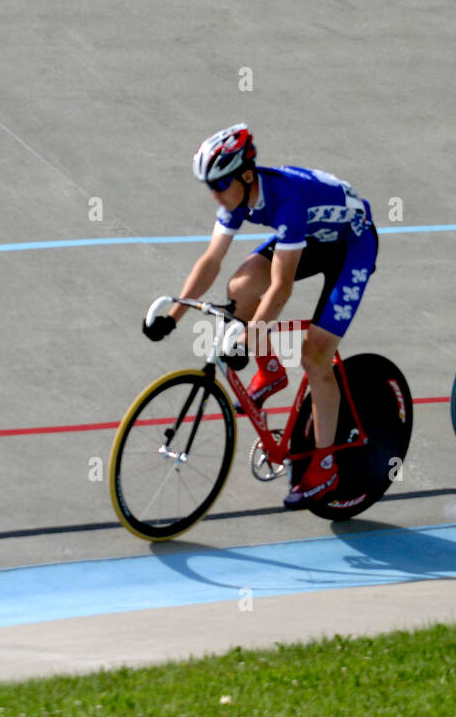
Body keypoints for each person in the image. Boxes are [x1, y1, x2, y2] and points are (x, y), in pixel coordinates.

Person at [143, 124, 379, 508]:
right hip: (313, 236)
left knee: (315, 356)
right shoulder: (237, 198)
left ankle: (326, 465)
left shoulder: (286, 201)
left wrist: (247, 338)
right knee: (240, 288)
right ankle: (271, 372)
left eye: (219, 184)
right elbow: (212, 261)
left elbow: (281, 289)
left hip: (352, 245)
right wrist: (174, 315)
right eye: (210, 186)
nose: (215, 195)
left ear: (246, 175)